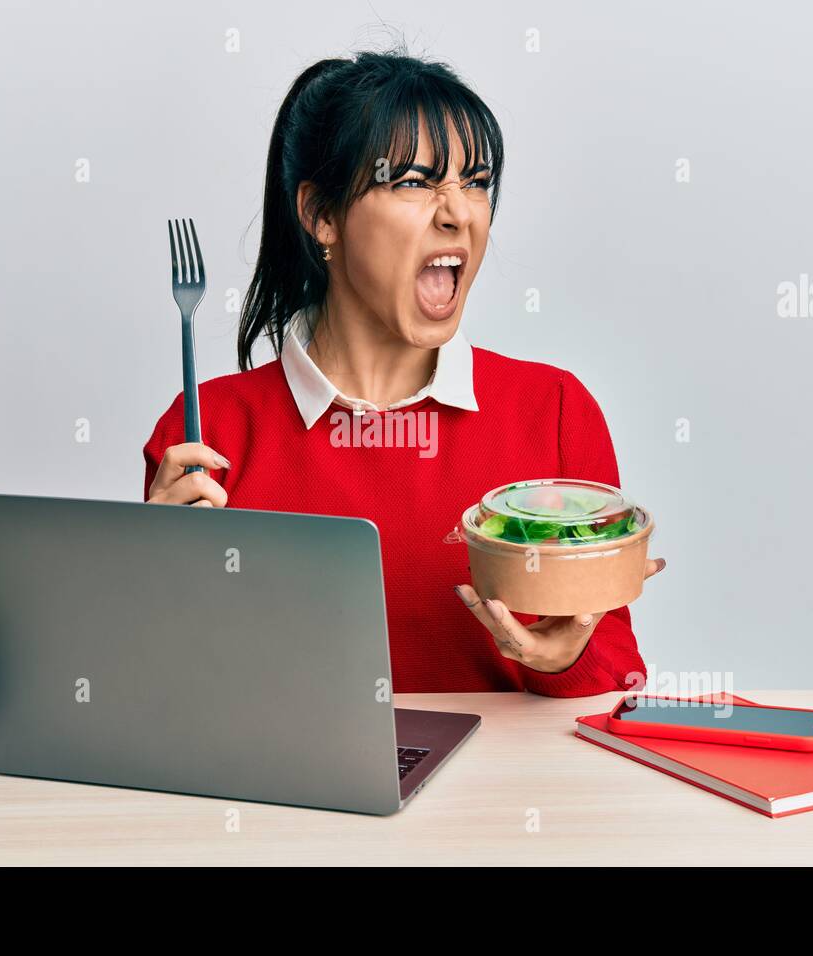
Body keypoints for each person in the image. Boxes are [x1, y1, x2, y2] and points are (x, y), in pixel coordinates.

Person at [144, 49, 665, 697]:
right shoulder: (208, 432)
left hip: (505, 795)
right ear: (321, 216)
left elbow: (616, 670)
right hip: (293, 796)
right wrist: (159, 582)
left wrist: (561, 660)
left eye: (475, 181)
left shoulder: (554, 408)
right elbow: (175, 692)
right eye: (414, 182)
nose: (459, 212)